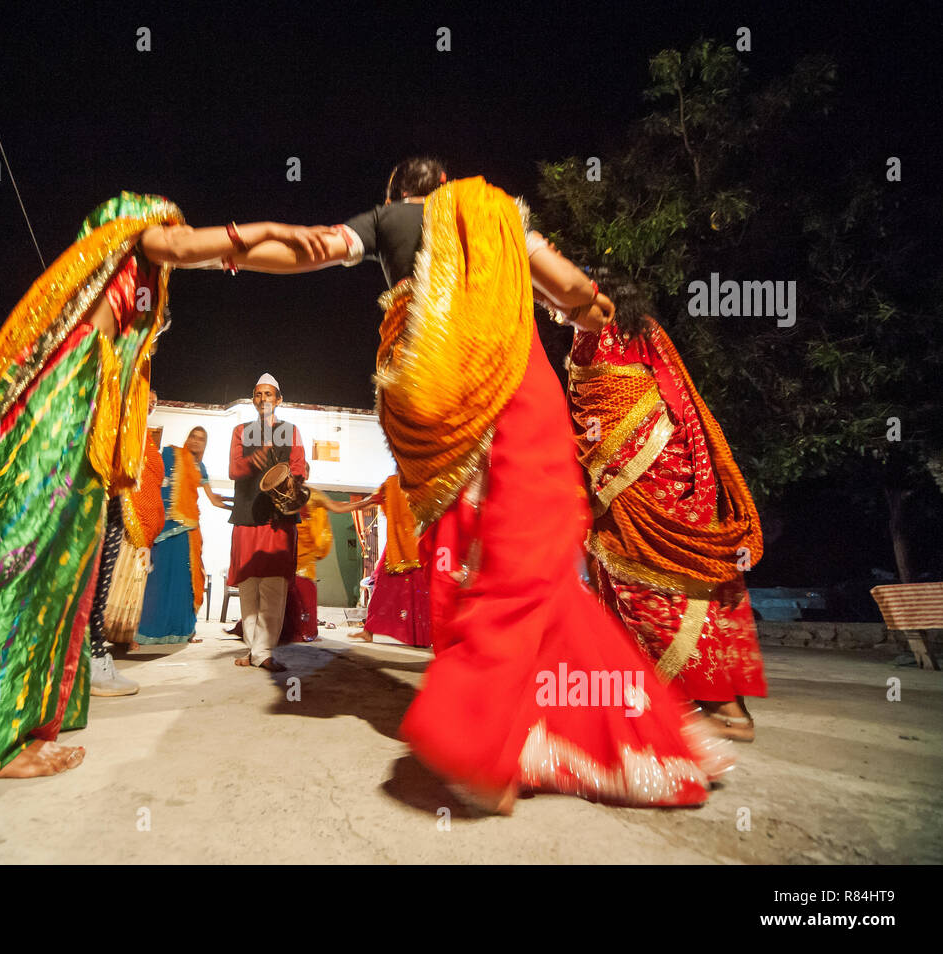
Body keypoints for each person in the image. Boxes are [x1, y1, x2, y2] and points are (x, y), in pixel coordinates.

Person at [217, 159, 732, 810]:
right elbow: (576, 291)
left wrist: (222, 251)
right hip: (526, 390)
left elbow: (315, 247)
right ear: (445, 185)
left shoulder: (391, 219)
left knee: (486, 564)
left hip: (458, 404)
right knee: (539, 570)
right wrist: (591, 312)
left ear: (397, 192)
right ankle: (596, 732)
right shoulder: (502, 217)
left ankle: (491, 734)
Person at [0, 194, 335, 781]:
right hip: (64, 408)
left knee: (58, 571)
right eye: (171, 225)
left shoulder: (143, 277)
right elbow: (196, 244)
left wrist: (328, 251)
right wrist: (277, 223)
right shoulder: (134, 241)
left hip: (87, 411)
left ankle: (4, 724)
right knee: (20, 558)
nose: (179, 237)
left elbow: (233, 258)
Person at [566, 270, 766, 740]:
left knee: (649, 582)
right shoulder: (585, 339)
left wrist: (516, 255)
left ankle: (721, 708)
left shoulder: (605, 318)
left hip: (648, 471)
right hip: (612, 477)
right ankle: (684, 706)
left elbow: (575, 299)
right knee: (627, 584)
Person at [229, 374, 308, 671]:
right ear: (253, 400)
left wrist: (293, 480)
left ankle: (264, 651)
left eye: (269, 394)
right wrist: (254, 460)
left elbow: (299, 466)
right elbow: (235, 469)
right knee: (248, 585)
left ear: (279, 400)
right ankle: (254, 650)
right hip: (247, 512)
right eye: (259, 394)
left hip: (279, 516)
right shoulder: (240, 431)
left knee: (274, 585)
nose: (264, 399)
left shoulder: (291, 431)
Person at [138, 425, 230, 644]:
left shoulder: (200, 468)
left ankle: (182, 631)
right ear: (187, 438)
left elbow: (212, 498)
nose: (196, 441)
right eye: (193, 437)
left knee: (184, 582)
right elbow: (153, 476)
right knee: (157, 581)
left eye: (201, 439)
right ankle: (148, 632)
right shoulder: (171, 453)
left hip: (186, 532)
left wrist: (232, 504)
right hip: (162, 528)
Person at [97, 390, 166, 656]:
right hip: (125, 510)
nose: (151, 405)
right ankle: (104, 628)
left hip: (145, 513)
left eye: (155, 403)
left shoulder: (145, 435)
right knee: (116, 571)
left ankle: (123, 632)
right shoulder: (128, 429)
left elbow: (151, 475)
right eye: (147, 399)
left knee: (135, 575)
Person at [348, 474, 432, 647]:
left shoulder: (426, 482)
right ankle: (368, 631)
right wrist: (347, 506)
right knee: (380, 587)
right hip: (397, 545)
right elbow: (374, 500)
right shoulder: (393, 483)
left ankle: (421, 638)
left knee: (418, 591)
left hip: (417, 545)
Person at [280, 487, 372, 642]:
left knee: (304, 591)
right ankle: (281, 629)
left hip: (305, 552)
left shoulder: (312, 494)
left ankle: (301, 630)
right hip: (285, 547)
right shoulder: (281, 493)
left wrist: (363, 504)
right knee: (281, 591)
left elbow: (337, 506)